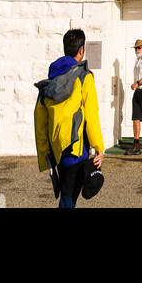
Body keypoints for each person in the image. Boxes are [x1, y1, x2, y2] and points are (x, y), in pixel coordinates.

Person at [34, 28, 104, 209]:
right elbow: (91, 114)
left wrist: (45, 150)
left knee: (67, 195)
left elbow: (40, 121)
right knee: (68, 199)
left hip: (57, 148)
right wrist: (98, 147)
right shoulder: (84, 77)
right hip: (76, 148)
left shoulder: (49, 81)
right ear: (81, 50)